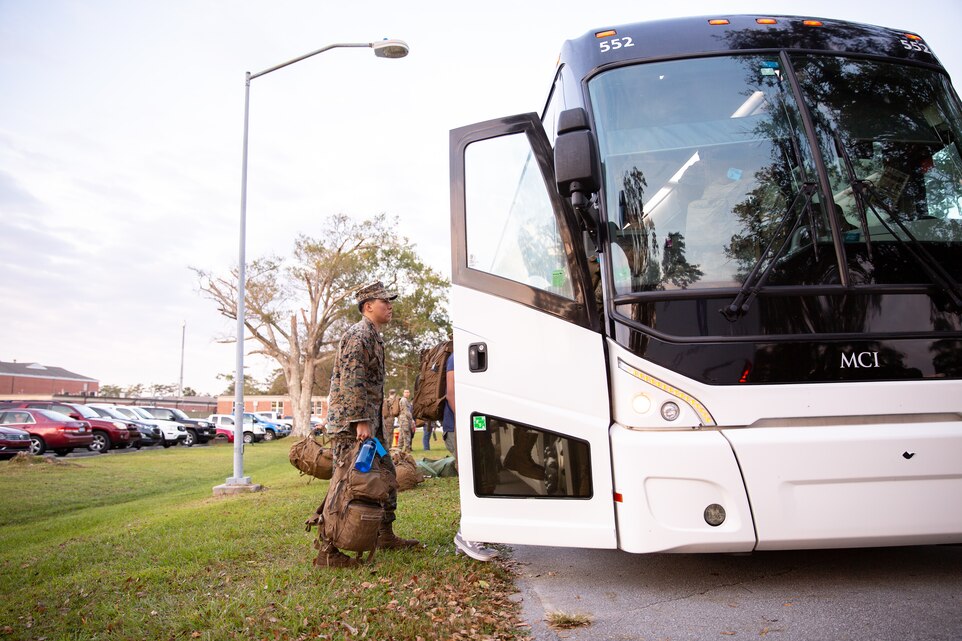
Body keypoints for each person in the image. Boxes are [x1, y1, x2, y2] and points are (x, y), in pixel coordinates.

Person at [317, 281, 420, 568]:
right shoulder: (358, 335)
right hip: (353, 426)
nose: (390, 306)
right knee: (346, 483)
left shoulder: (373, 336)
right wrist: (360, 422)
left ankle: (384, 534)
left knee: (386, 473)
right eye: (384, 301)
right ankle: (328, 551)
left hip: (371, 425)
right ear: (368, 306)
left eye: (390, 301)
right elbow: (352, 382)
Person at [443, 351, 498, 562]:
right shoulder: (458, 355)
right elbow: (452, 394)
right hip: (460, 427)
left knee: (487, 477)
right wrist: (473, 424)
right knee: (474, 479)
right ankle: (466, 536)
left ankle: (469, 535)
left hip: (475, 426)